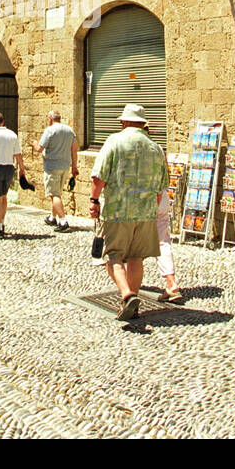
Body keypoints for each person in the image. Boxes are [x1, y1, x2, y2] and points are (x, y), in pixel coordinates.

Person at [90, 104, 169, 321]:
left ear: (124, 122)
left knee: (113, 255)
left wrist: (94, 200)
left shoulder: (114, 141)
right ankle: (132, 305)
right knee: (136, 257)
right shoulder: (156, 148)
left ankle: (127, 295)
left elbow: (99, 177)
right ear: (143, 124)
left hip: (118, 210)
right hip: (146, 211)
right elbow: (161, 187)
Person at [34, 110, 79, 233]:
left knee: (54, 194)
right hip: (65, 166)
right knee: (57, 192)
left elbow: (39, 148)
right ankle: (52, 217)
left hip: (52, 166)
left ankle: (63, 221)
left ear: (50, 118)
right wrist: (74, 166)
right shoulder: (70, 131)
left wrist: (35, 144)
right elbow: (74, 150)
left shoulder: (50, 130)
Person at [155, 191, 183, 304]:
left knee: (134, 241)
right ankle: (171, 282)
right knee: (162, 242)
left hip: (145, 200)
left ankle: (128, 286)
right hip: (162, 199)